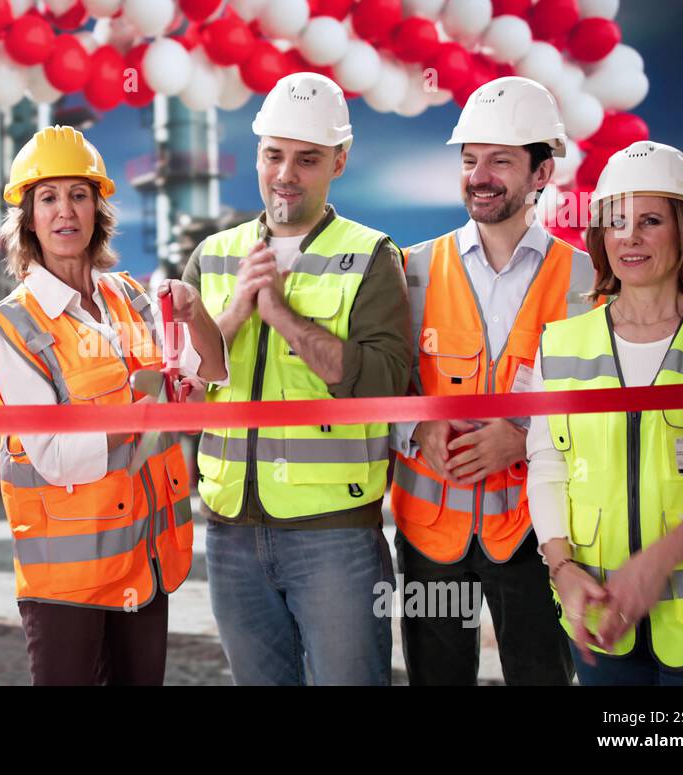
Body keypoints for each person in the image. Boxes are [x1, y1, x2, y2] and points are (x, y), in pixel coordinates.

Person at [179, 72, 412, 685]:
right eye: (273, 155)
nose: (286, 174)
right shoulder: (214, 255)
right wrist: (225, 317)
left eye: (307, 159)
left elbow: (384, 387)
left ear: (339, 160)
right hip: (230, 533)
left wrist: (280, 314)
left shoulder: (371, 256)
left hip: (333, 536)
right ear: (257, 155)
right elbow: (185, 389)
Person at [0, 125, 227, 685]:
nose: (66, 211)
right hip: (69, 581)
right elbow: (57, 458)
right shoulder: (10, 327)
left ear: (97, 208)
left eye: (79, 194)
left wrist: (197, 318)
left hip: (148, 557)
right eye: (48, 197)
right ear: (28, 219)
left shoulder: (132, 298)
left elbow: (205, 386)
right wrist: (143, 410)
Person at [527, 140, 683, 685]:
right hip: (597, 610)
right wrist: (562, 568)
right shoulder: (560, 344)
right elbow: (547, 466)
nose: (629, 237)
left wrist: (655, 564)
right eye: (615, 222)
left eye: (650, 220)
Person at [389, 77, 585, 685]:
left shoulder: (584, 279)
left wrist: (524, 438)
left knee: (541, 677)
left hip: (535, 532)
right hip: (428, 535)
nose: (480, 175)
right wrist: (419, 429)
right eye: (470, 160)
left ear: (542, 172)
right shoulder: (412, 269)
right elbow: (387, 384)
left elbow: (599, 405)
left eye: (501, 161)